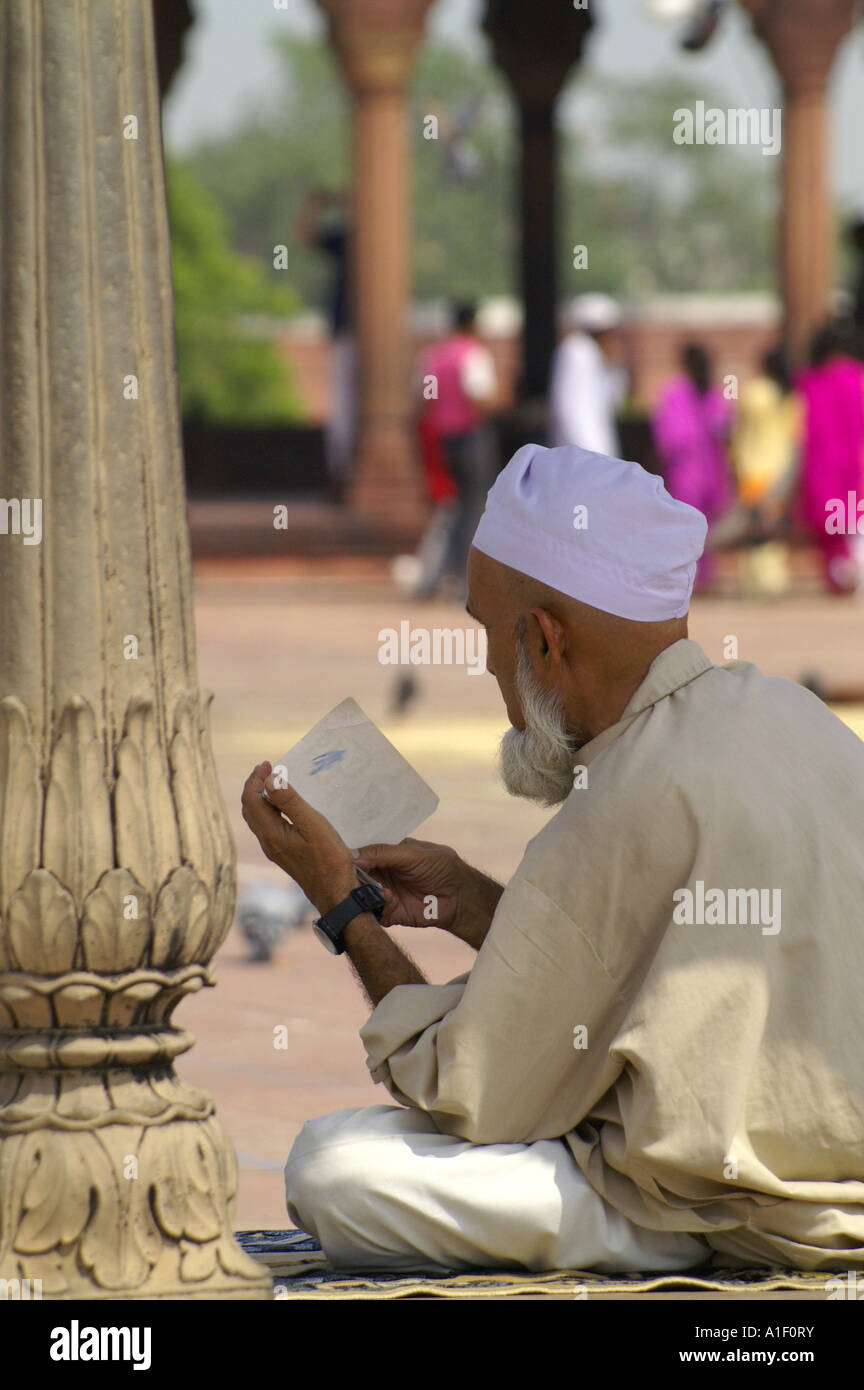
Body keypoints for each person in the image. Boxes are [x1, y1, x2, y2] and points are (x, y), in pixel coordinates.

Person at [242, 442, 864, 1275]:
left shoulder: (618, 801)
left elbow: (475, 1094)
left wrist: (343, 907)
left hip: (715, 1215)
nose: (492, 668)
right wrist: (467, 901)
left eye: (489, 636)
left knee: (334, 1164)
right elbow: (635, 974)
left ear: (542, 642)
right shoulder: (795, 715)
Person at [410, 302, 498, 599]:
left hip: (439, 440)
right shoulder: (473, 354)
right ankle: (464, 577)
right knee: (472, 507)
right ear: (473, 325)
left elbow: (423, 400)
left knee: (447, 507)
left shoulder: (432, 357)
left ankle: (434, 575)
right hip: (469, 436)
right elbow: (479, 395)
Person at [652, 343, 734, 590]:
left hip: (688, 472)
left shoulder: (675, 394)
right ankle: (702, 578)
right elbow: (725, 431)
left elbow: (666, 440)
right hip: (709, 470)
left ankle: (693, 579)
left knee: (688, 526)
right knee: (702, 527)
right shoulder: (714, 395)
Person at [796, 320, 864, 595]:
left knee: (832, 536)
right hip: (856, 472)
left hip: (822, 473)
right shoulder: (858, 379)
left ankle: (841, 573)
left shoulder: (809, 384)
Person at [727, 346, 802, 594]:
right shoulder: (791, 395)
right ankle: (774, 576)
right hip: (781, 467)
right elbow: (796, 436)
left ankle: (758, 577)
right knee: (774, 521)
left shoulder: (756, 391)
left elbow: (739, 430)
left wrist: (734, 460)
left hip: (754, 467)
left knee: (755, 523)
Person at [298, 189, 354, 493]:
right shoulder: (348, 239)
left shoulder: (380, 240)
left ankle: (353, 473)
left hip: (373, 337)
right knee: (343, 409)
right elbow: (307, 236)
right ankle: (342, 475)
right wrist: (317, 204)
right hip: (346, 332)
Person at [548, 293, 625, 455]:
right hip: (583, 452)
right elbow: (569, 409)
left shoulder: (600, 355)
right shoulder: (577, 350)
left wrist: (615, 366)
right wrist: (587, 454)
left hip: (599, 452)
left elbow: (614, 401)